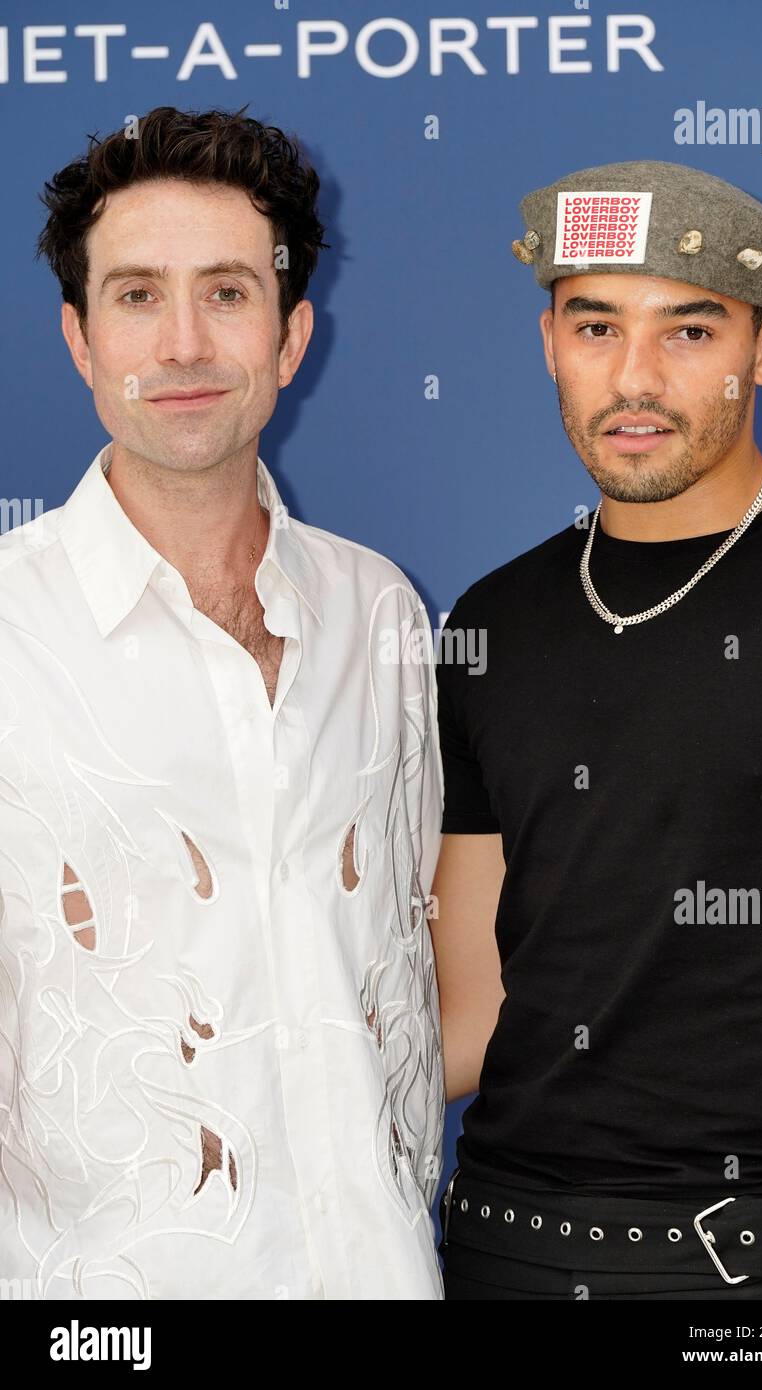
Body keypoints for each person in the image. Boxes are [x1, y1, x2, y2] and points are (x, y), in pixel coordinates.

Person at [0, 105, 444, 1301]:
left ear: (292, 336)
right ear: (79, 339)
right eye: (137, 295)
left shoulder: (380, 613)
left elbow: (410, 964)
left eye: (229, 293)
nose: (184, 342)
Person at [431, 159, 762, 1300]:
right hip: (504, 1244)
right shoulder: (490, 621)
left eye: (688, 330)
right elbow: (470, 1013)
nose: (634, 378)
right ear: (548, 344)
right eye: (595, 326)